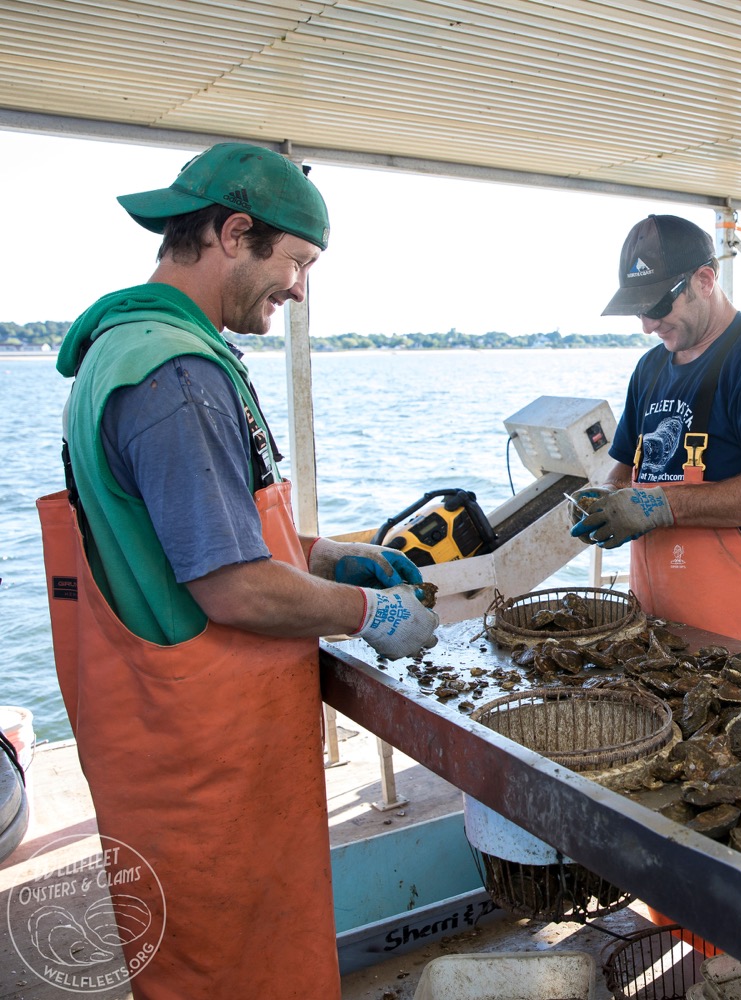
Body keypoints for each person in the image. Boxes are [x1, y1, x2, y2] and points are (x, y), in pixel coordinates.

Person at [37, 143, 439, 999]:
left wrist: (320, 554)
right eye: (295, 262)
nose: (297, 289)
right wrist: (370, 612)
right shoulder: (174, 374)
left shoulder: (131, 347)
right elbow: (230, 584)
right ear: (233, 232)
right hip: (206, 762)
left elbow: (182, 529)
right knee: (238, 973)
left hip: (174, 740)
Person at [572, 214, 741, 655]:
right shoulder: (649, 368)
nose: (648, 325)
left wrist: (660, 505)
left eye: (658, 307)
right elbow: (625, 468)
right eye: (639, 311)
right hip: (655, 630)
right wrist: (603, 497)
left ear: (705, 279)